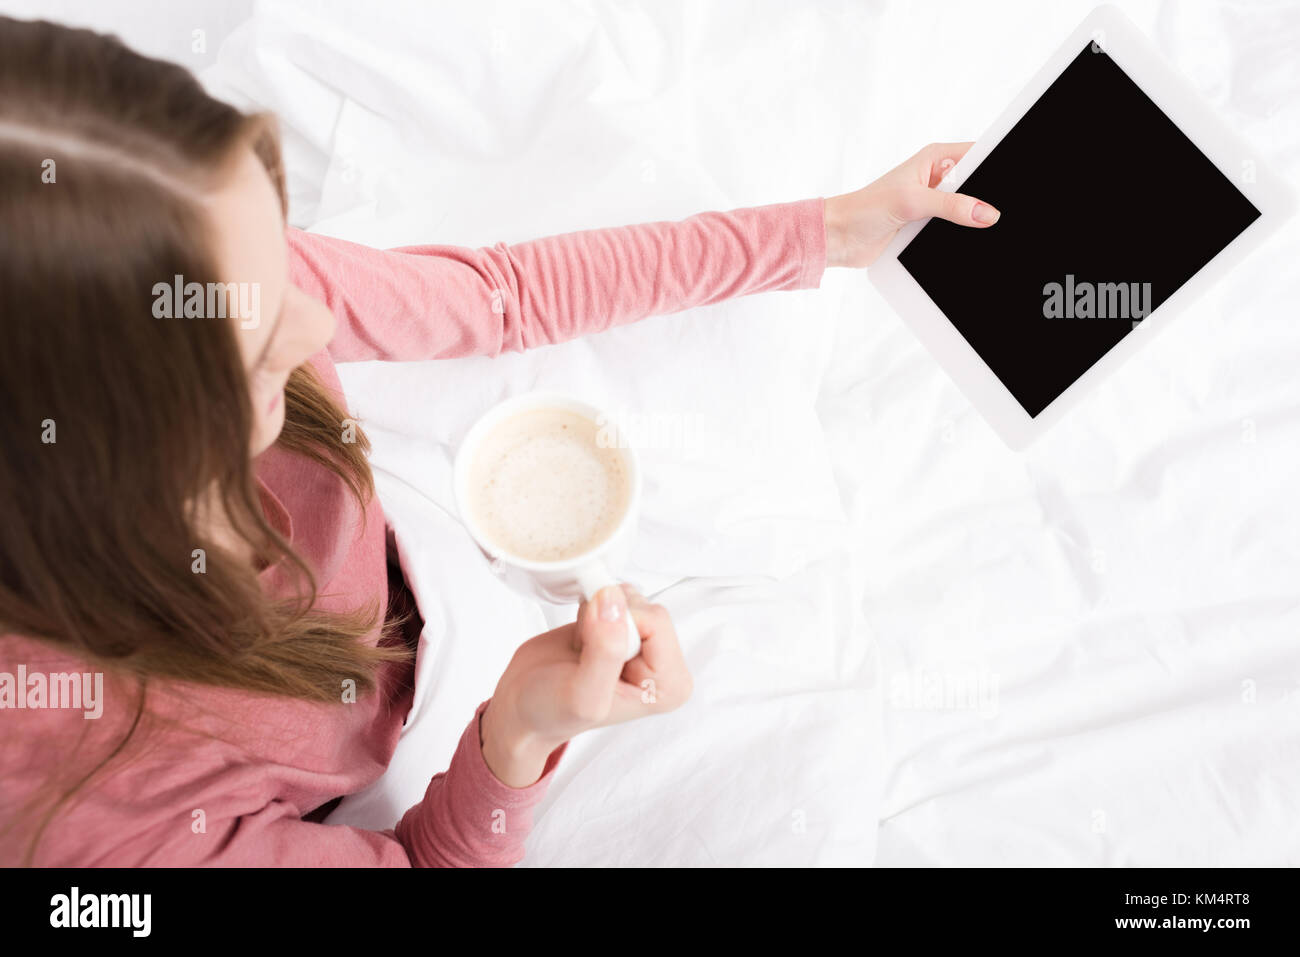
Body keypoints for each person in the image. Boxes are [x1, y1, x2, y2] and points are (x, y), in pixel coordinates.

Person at [0, 15, 998, 866]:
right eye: (260, 352)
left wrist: (826, 231)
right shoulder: (101, 818)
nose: (318, 328)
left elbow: (495, 295)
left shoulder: (193, 272)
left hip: (429, 562)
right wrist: (517, 732)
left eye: (283, 256)